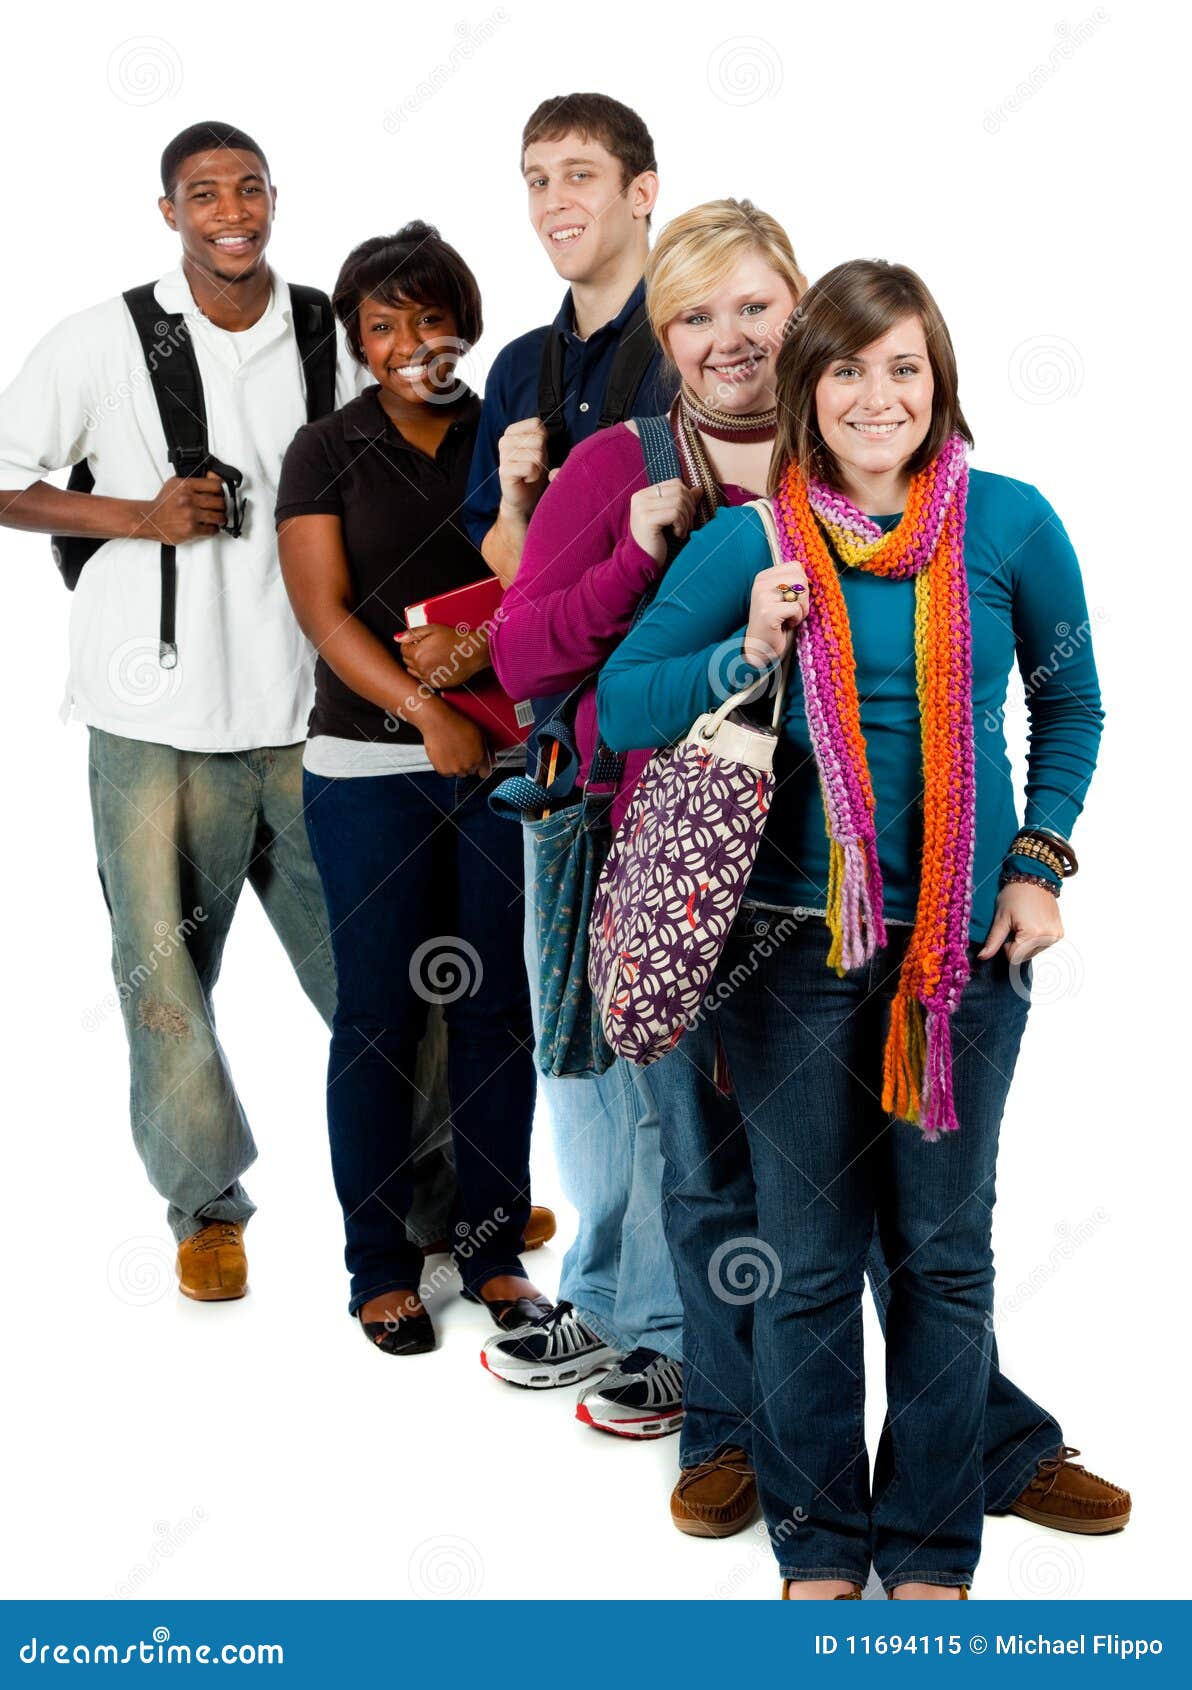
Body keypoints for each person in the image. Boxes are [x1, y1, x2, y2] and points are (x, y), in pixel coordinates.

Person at [598, 259, 1127, 1594]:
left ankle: (933, 1545)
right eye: (844, 368)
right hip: (794, 954)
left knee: (946, 1257)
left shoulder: (1008, 523)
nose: (876, 393)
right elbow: (623, 701)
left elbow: (1071, 709)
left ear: (937, 376)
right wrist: (746, 653)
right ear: (806, 391)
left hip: (965, 955)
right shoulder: (752, 542)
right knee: (813, 1267)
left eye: (902, 365)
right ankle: (821, 1547)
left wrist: (1037, 860)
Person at [0, 120, 459, 1298]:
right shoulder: (101, 340)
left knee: (380, 974)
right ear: (169, 212)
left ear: (273, 200)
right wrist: (135, 517)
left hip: (314, 723)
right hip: (151, 724)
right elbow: (6, 477)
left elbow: (406, 461)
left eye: (249, 188)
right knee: (161, 984)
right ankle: (205, 1204)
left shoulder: (330, 332)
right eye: (203, 193)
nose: (230, 210)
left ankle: (448, 1193)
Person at [484, 200, 804, 1439]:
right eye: (693, 315)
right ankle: (670, 1343)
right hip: (650, 838)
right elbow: (519, 655)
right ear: (663, 336)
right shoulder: (622, 460)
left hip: (821, 843)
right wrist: (630, 556)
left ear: (799, 299)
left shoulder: (852, 437)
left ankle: (779, 1359)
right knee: (655, 1112)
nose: (728, 337)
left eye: (754, 305)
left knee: (797, 1124)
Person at [276, 224, 549, 1354]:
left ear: (462, 325)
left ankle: (489, 1254)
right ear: (355, 339)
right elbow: (325, 610)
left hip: (500, 767)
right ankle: (379, 1264)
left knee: (495, 1011)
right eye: (378, 325)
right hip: (367, 772)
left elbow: (553, 581)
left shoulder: (509, 433)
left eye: (426, 320)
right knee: (380, 1017)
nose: (404, 343)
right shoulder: (325, 447)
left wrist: (476, 671)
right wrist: (423, 706)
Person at [460, 91, 677, 573]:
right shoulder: (515, 366)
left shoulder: (701, 347)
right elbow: (516, 589)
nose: (554, 202)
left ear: (641, 194)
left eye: (580, 175)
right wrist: (516, 508)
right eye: (538, 181)